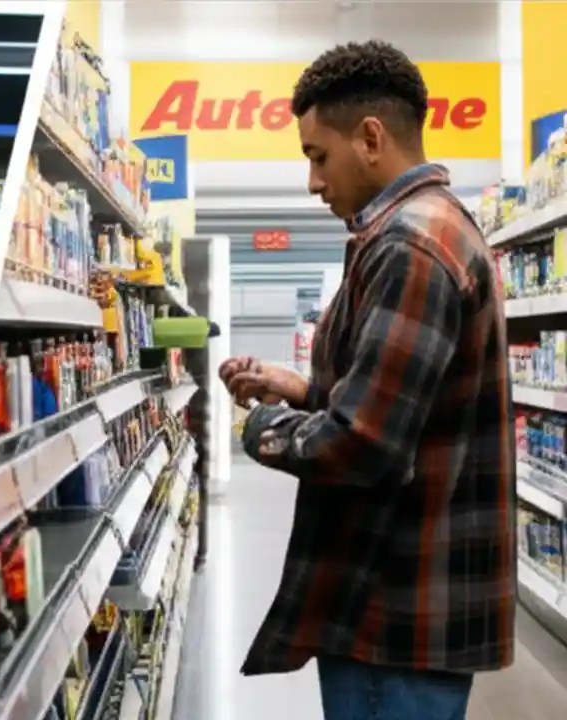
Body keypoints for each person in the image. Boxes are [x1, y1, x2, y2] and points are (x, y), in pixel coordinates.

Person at [218, 41, 515, 720]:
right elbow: (407, 406)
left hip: (394, 614)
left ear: (372, 137)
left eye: (317, 155)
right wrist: (303, 391)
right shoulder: (432, 228)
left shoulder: (410, 245)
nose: (313, 181)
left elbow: (364, 445)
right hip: (404, 609)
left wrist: (259, 429)